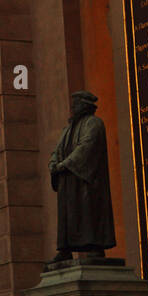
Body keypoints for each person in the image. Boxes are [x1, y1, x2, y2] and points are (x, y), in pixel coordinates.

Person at [48, 90, 117, 262]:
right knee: (67, 216)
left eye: (76, 105)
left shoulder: (94, 124)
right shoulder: (68, 129)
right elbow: (56, 150)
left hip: (87, 180)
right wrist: (53, 163)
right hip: (68, 181)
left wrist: (64, 165)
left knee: (89, 212)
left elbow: (86, 148)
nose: (73, 108)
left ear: (85, 106)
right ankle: (65, 249)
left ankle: (95, 246)